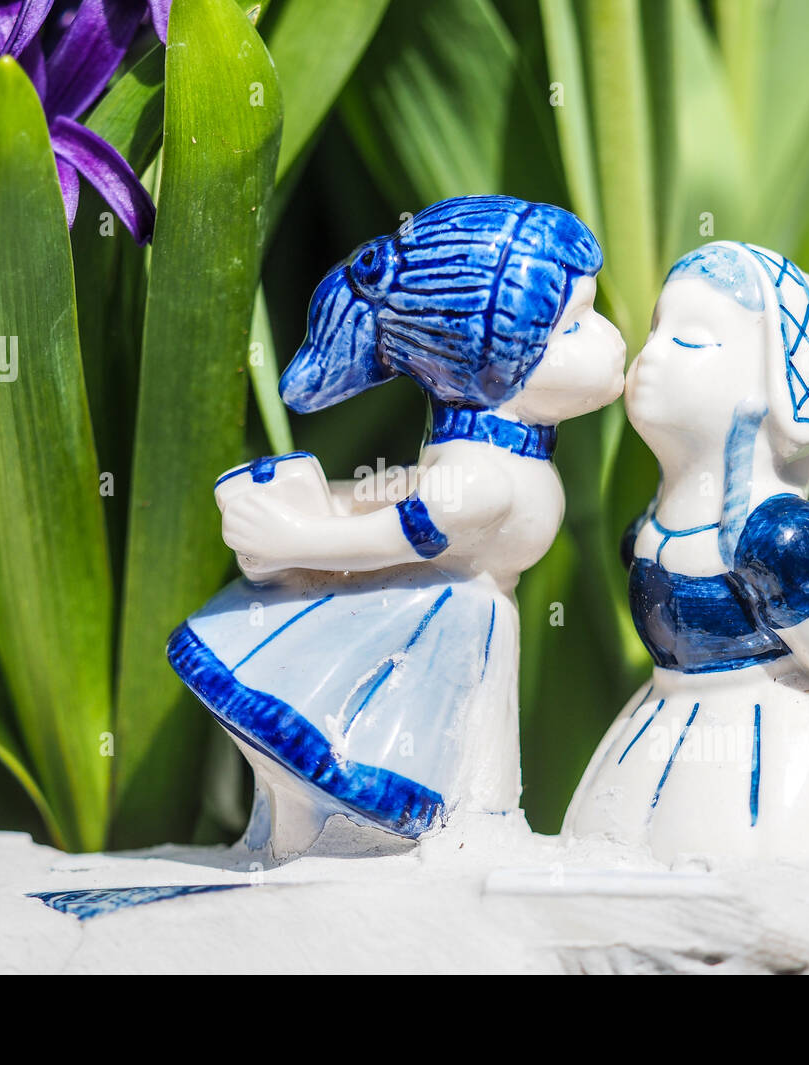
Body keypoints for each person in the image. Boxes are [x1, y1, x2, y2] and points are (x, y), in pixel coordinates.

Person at [168, 195, 626, 856]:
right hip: (424, 627)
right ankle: (335, 842)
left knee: (474, 753)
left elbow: (394, 498)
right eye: (575, 325)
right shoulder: (481, 479)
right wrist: (296, 537)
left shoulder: (490, 463)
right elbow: (394, 531)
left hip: (472, 625)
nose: (611, 337)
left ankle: (453, 826)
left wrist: (328, 503)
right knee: (375, 759)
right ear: (489, 360)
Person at [564, 242, 809, 863]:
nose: (651, 357)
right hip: (665, 714)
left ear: (774, 391)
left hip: (769, 739)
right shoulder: (654, 524)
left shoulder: (777, 535)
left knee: (738, 865)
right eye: (656, 330)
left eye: (691, 341)